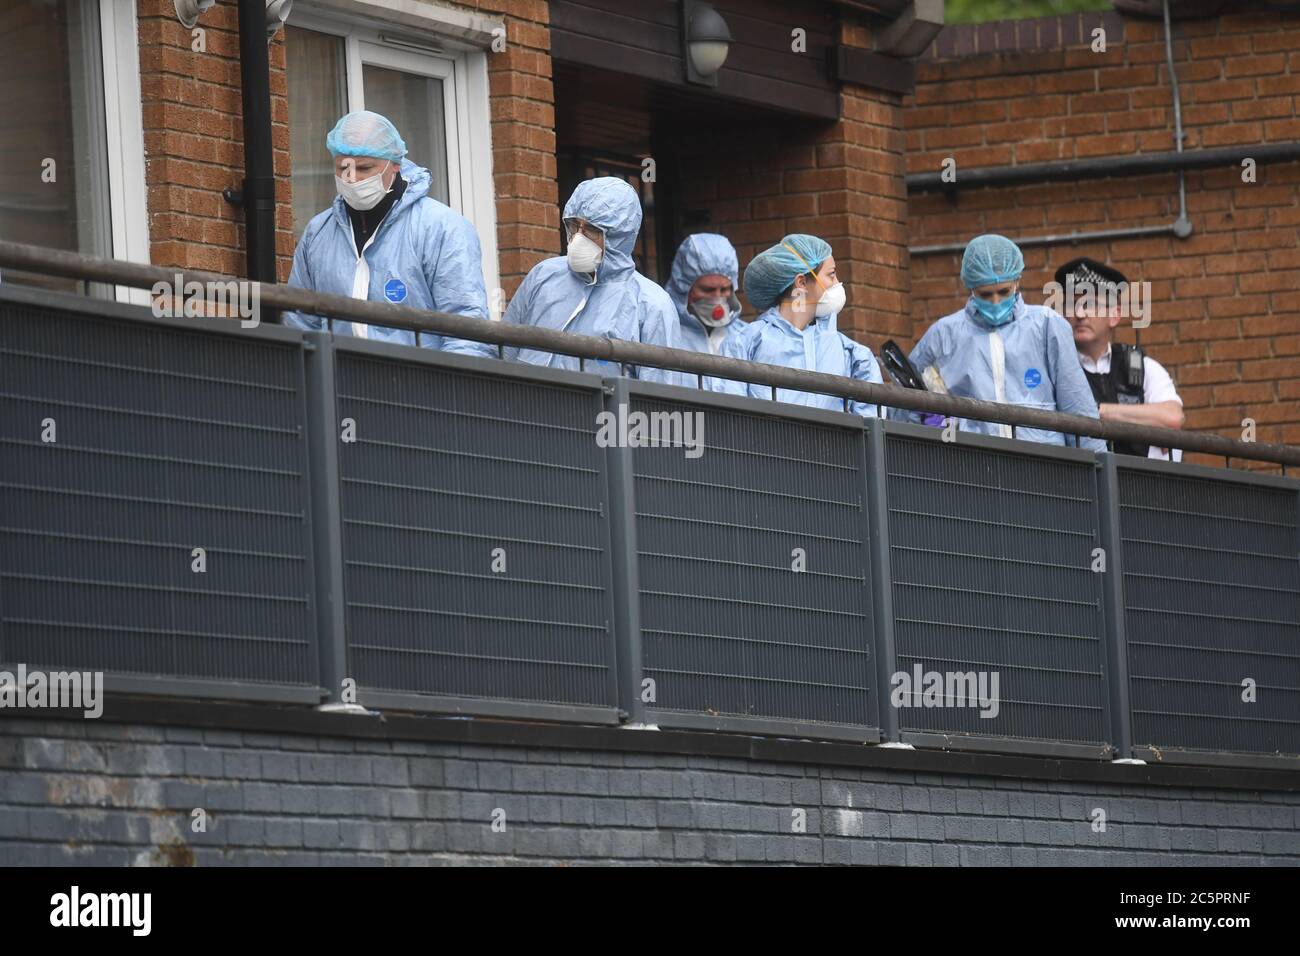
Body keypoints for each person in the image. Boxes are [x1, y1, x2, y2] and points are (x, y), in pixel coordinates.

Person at [282, 110, 492, 355]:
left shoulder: (442, 228)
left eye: (364, 168)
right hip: (337, 385)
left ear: (395, 165)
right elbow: (299, 323)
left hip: (420, 385)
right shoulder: (318, 233)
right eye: (343, 168)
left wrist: (446, 390)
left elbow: (467, 330)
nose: (351, 178)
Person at [897, 234, 1106, 451]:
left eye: (1004, 292)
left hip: (1043, 467)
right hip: (971, 466)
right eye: (985, 294)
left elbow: (1078, 409)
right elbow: (904, 405)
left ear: (1017, 281)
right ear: (970, 288)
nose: (995, 302)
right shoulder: (942, 335)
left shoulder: (1047, 325)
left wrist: (1098, 472)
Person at [500, 177, 679, 382]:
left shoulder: (652, 305)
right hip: (522, 410)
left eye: (591, 230)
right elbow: (503, 352)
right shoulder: (543, 276)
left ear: (619, 237)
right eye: (575, 226)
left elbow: (658, 396)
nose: (578, 238)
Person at [710, 234, 883, 418]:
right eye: (831, 275)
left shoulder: (853, 355)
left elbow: (869, 433)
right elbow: (728, 420)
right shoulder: (745, 343)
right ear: (801, 282)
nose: (837, 283)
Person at [1056, 256, 1185, 460]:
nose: (1080, 314)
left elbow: (1172, 417)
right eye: (1072, 304)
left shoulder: (1140, 366)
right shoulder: (1056, 367)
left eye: (1090, 304)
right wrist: (1143, 419)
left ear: (1114, 315)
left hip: (1141, 484)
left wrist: (1099, 411)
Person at [666, 233, 745, 357]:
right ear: (683, 288)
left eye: (724, 290)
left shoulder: (744, 336)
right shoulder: (665, 334)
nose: (717, 297)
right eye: (708, 290)